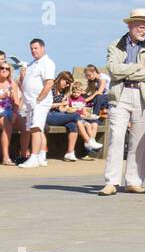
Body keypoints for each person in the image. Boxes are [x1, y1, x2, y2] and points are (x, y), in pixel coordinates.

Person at [99, 8, 145, 195]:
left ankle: (133, 181)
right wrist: (137, 67)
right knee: (116, 138)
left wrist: (126, 70)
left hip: (143, 96)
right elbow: (113, 70)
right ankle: (111, 182)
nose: (144, 31)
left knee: (140, 141)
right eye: (141, 27)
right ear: (130, 25)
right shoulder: (115, 45)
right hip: (121, 94)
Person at [17, 39, 57, 169]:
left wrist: (39, 99)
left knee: (35, 128)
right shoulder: (31, 64)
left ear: (43, 48)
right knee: (37, 128)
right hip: (30, 103)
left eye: (36, 48)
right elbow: (24, 84)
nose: (33, 51)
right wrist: (22, 76)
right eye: (32, 49)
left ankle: (33, 158)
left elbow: (49, 83)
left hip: (40, 101)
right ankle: (41, 156)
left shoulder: (47, 62)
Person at [44, 72, 86, 161]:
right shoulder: (51, 88)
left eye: (68, 84)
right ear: (61, 79)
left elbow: (61, 109)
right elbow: (45, 105)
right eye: (66, 82)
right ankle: (88, 140)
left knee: (73, 124)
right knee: (76, 115)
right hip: (47, 114)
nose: (67, 85)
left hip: (57, 115)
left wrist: (66, 109)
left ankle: (70, 153)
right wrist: (61, 103)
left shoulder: (63, 91)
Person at [0, 57, 22, 165]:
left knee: (26, 126)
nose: (4, 70)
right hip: (1, 112)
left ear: (10, 71)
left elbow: (17, 101)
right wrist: (2, 96)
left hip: (10, 111)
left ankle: (24, 155)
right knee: (7, 127)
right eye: (2, 68)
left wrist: (15, 113)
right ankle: (6, 157)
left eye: (7, 68)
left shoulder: (12, 83)